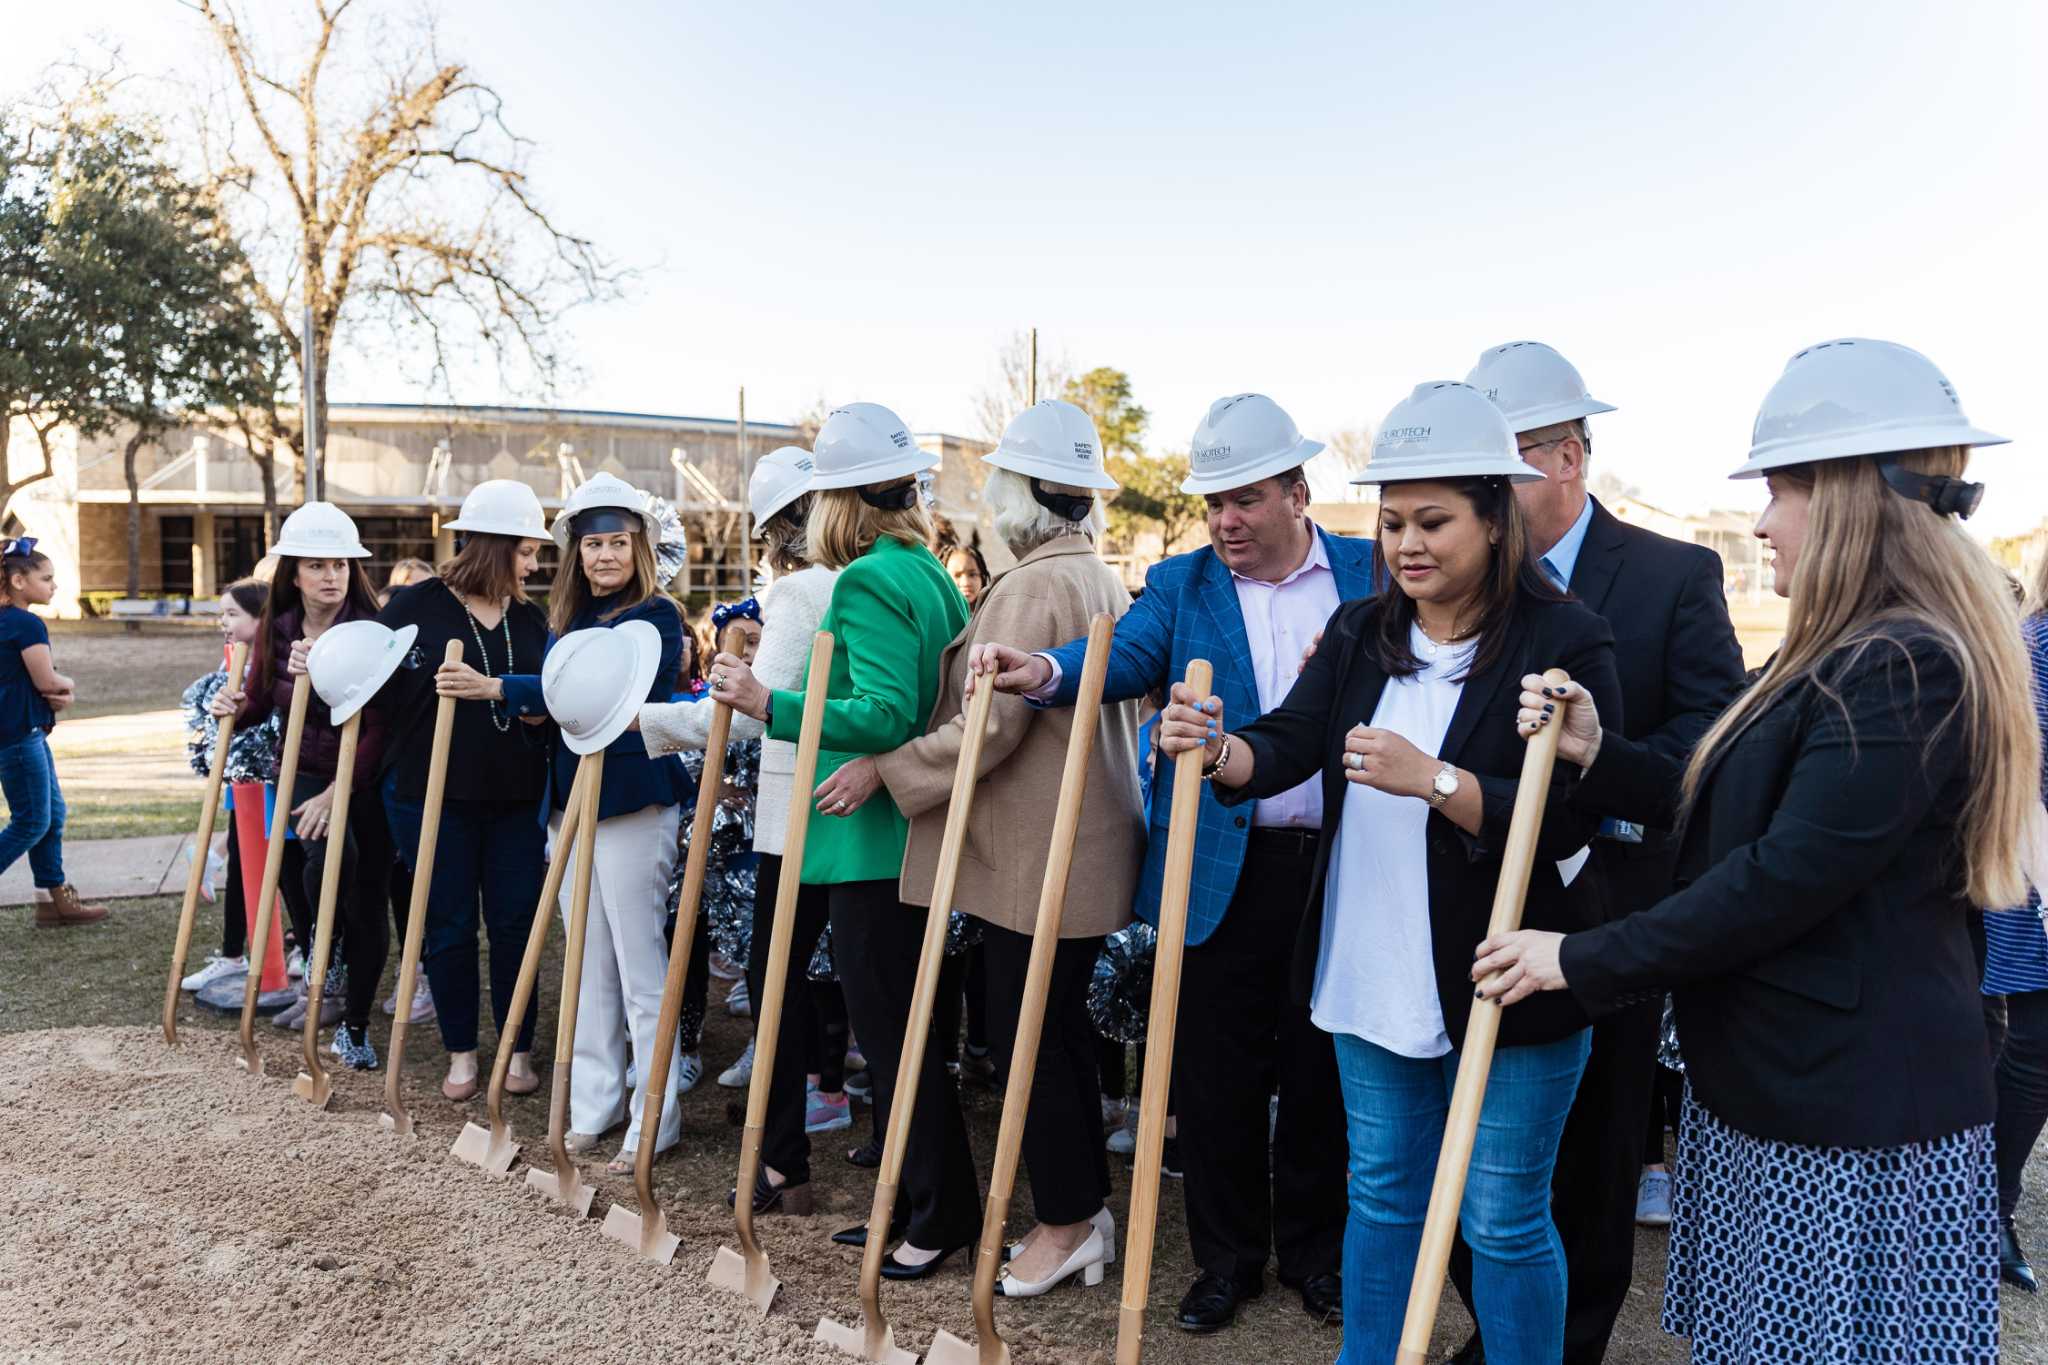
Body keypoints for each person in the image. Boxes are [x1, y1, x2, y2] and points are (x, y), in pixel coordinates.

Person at [1479, 339, 2035, 1363]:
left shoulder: (1903, 664)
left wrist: (1576, 959)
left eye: (1776, 492)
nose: (1759, 522)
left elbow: (1779, 881)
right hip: (1787, 1091)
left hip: (1851, 1117)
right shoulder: (1839, 646)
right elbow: (1732, 808)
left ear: (1847, 504)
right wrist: (1600, 753)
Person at [1159, 380, 1618, 1363]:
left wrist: (1438, 782)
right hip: (1369, 967)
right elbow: (1284, 742)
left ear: (1494, 520)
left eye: (1433, 521)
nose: (1406, 543)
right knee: (1380, 1195)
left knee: (1498, 1215)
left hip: (1504, 975)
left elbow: (1578, 812)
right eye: (1392, 519)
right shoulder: (1367, 630)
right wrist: (1215, 750)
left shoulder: (1560, 639)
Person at [975, 393, 1373, 1330]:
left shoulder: (1369, 574)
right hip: (1218, 862)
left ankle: (1318, 1255)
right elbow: (1120, 655)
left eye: (1245, 500)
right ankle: (1226, 1260)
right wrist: (1045, 673)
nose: (1226, 521)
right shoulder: (1184, 584)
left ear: (1297, 491)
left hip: (1343, 863)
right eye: (1214, 504)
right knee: (1211, 1076)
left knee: (1322, 1069)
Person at [1446, 342, 1746, 1365]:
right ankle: (1498, 1329)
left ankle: (1560, 1348)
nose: (1477, 499)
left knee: (1592, 1148)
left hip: (1609, 912)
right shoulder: (1446, 581)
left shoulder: (1669, 577)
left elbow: (1708, 755)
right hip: (1465, 904)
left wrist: (1591, 753)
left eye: (1500, 472)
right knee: (1475, 1143)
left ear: (1566, 456)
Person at [815, 400, 1143, 1297]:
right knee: (1051, 1031)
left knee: (1028, 1030)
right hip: (1069, 838)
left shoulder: (1037, 584)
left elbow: (990, 726)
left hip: (1045, 846)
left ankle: (1069, 1218)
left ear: (1026, 494)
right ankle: (1082, 1212)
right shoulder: (1087, 572)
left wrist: (891, 768)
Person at [710, 403, 979, 1277]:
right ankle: (909, 1202)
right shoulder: (928, 571)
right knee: (903, 1031)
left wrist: (768, 703)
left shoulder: (868, 579)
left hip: (868, 840)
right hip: (898, 833)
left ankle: (939, 1213)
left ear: (841, 502)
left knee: (896, 1036)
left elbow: (885, 712)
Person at [483, 473, 688, 1170]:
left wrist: (503, 688)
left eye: (618, 542)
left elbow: (602, 691)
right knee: (587, 961)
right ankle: (596, 1101)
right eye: (594, 543)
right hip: (571, 803)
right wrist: (538, 698)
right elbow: (562, 701)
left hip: (633, 799)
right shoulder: (566, 621)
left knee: (639, 962)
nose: (605, 556)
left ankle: (654, 1113)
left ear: (639, 548)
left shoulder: (654, 616)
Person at [380, 480, 551, 1102]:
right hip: (429, 796)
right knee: (448, 928)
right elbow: (368, 683)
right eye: (526, 552)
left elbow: (552, 698)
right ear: (494, 546)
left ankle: (517, 1048)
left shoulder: (532, 620)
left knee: (515, 926)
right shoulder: (413, 606)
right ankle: (461, 1052)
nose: (534, 565)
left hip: (513, 800)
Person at [214, 503, 393, 1067]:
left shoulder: (372, 630)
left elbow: (382, 725)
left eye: (340, 564)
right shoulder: (280, 627)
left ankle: (355, 1024)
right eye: (317, 566)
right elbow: (262, 698)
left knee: (366, 894)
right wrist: (235, 705)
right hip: (303, 770)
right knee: (320, 859)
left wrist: (341, 786)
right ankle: (323, 946)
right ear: (294, 574)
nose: (331, 576)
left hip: (364, 776)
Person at [1980, 550, 2048, 1292]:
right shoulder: (2039, 647)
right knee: (2026, 1041)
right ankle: (1987, 1208)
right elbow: (2026, 777)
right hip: (2031, 872)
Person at [179, 579, 283, 997]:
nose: (223, 622)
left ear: (262, 618)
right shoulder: (233, 659)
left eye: (232, 614)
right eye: (221, 613)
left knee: (281, 868)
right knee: (243, 860)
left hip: (270, 779)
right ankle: (235, 955)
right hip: (243, 782)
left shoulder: (273, 663)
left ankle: (288, 955)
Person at [0, 538, 101, 927]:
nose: (54, 585)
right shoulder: (26, 623)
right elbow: (47, 681)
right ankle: (53, 899)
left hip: (25, 731)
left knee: (52, 814)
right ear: (19, 581)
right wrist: (67, 686)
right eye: (47, 578)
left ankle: (53, 901)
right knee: (31, 822)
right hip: (19, 735)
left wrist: (52, 694)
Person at [377, 556, 439, 1024]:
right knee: (394, 881)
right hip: (383, 780)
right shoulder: (383, 627)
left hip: (419, 780)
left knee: (424, 885)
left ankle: (422, 974)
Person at [944, 543, 990, 608]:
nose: (966, 583)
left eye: (972, 574)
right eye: (957, 575)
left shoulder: (994, 613)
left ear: (982, 577)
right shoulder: (936, 615)